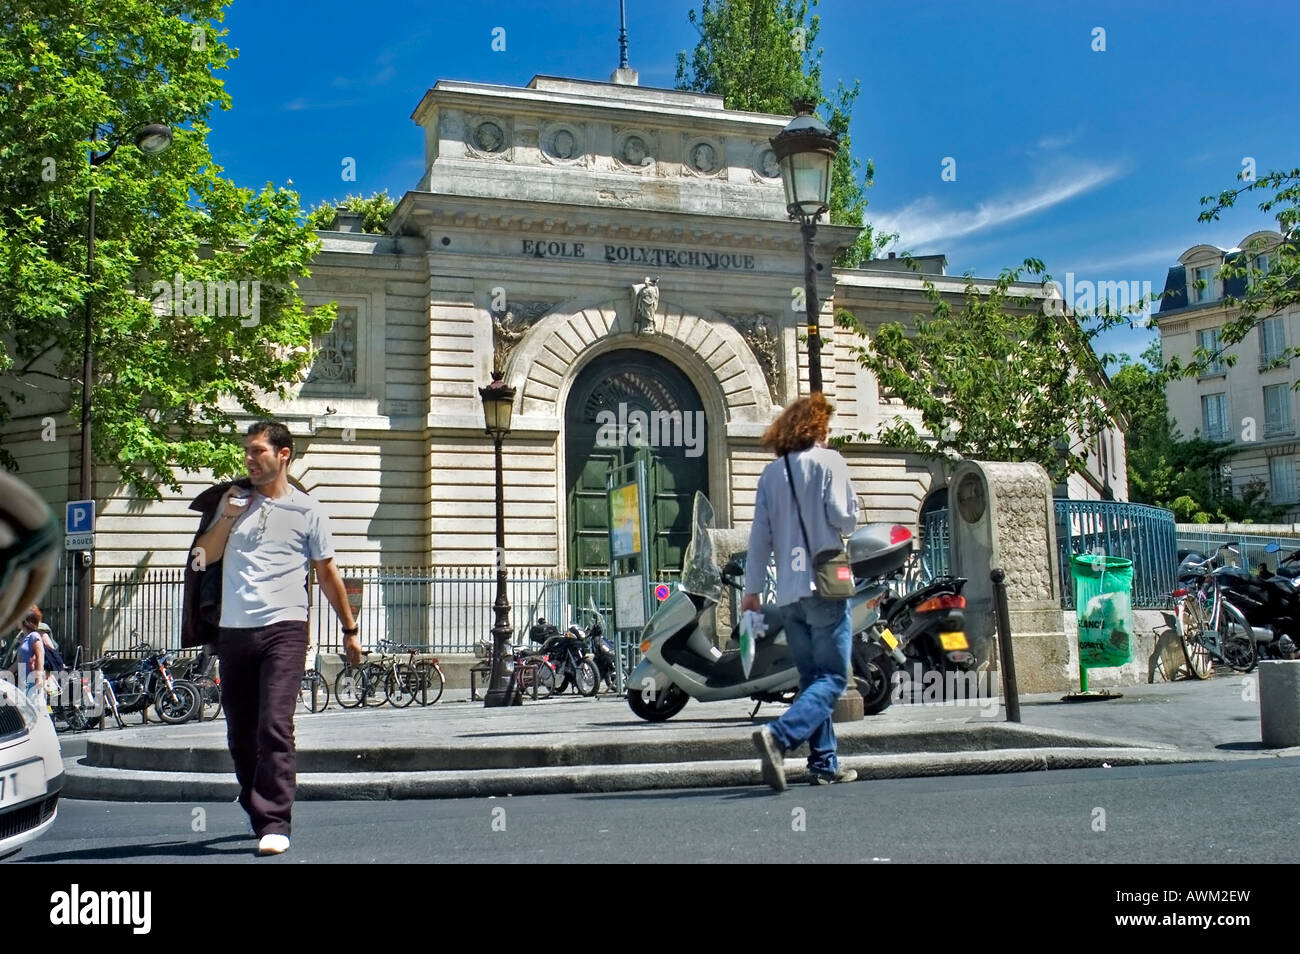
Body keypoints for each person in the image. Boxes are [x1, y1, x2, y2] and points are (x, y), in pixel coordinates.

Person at [192, 421, 361, 855]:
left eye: (257, 451)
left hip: (285, 628)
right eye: (246, 452)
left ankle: (275, 820)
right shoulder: (230, 503)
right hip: (233, 631)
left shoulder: (309, 511)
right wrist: (227, 518)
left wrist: (349, 630)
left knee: (274, 725)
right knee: (239, 731)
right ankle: (255, 803)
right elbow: (203, 558)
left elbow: (327, 574)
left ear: (283, 454)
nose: (249, 459)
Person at [742, 393, 859, 790]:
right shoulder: (830, 461)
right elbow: (843, 517)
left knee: (812, 679)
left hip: (789, 593)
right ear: (818, 427)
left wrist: (752, 591)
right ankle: (779, 737)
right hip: (825, 584)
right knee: (833, 678)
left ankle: (824, 763)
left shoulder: (771, 474)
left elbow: (759, 538)